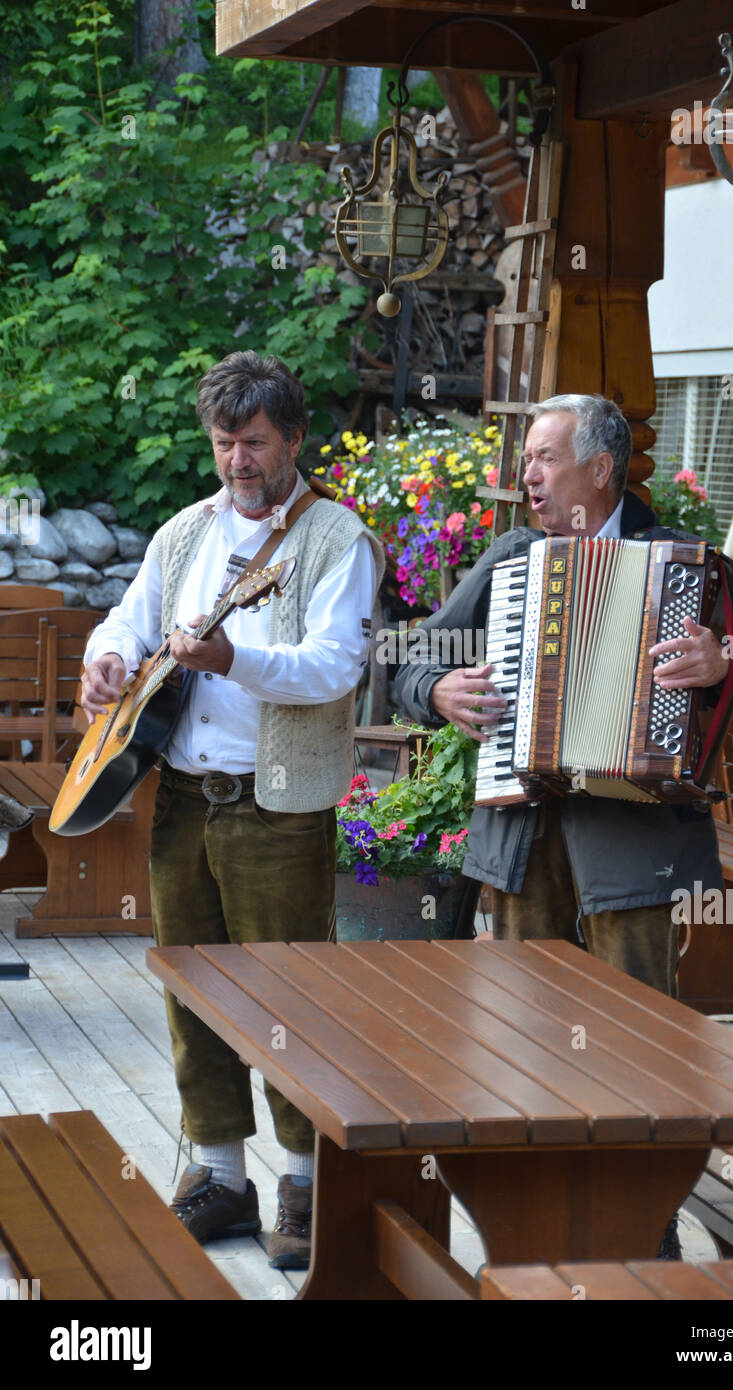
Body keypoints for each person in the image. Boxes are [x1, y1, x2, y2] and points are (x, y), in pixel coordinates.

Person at [81, 351, 384, 1269]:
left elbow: (337, 666)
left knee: (291, 1000)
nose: (238, 461)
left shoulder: (337, 540)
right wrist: (104, 658)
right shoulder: (185, 533)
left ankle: (302, 1183)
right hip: (179, 795)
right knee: (194, 992)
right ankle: (218, 1173)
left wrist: (233, 661)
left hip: (277, 804)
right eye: (224, 443)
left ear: (293, 438)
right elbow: (129, 620)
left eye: (253, 442)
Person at [393, 393, 733, 995]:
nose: (528, 476)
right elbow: (413, 656)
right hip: (524, 834)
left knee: (637, 1030)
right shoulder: (511, 557)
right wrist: (437, 688)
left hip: (636, 842)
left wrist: (721, 660)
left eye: (545, 459)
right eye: (528, 459)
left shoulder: (684, 561)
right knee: (525, 1024)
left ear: (600, 470)